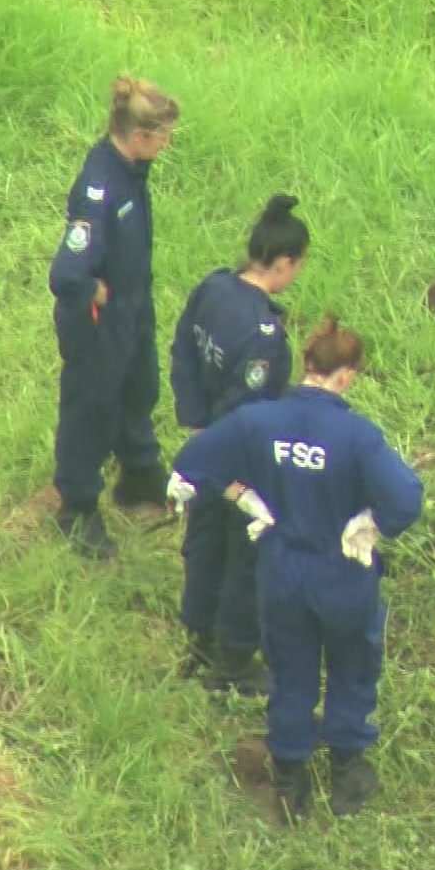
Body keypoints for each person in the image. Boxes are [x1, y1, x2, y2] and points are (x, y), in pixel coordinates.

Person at [169, 317, 423, 820]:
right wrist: (371, 524)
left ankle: (289, 774)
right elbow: (406, 498)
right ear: (347, 376)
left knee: (290, 670)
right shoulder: (357, 437)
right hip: (342, 573)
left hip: (281, 570)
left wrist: (244, 498)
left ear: (307, 364)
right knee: (352, 666)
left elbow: (191, 466)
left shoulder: (257, 421)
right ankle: (348, 765)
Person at [168, 194, 307, 694]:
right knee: (244, 555)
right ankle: (233, 660)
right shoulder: (264, 336)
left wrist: (196, 426)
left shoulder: (213, 288)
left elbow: (183, 350)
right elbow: (246, 412)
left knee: (202, 544)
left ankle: (198, 634)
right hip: (242, 464)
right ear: (285, 262)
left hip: (204, 448)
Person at [48, 75, 180, 560]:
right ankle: (77, 507)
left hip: (132, 308)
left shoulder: (132, 172)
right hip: (99, 323)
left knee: (139, 387)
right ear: (140, 136)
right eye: (163, 135)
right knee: (92, 410)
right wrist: (90, 289)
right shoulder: (99, 188)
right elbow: (67, 272)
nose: (167, 144)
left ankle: (139, 473)